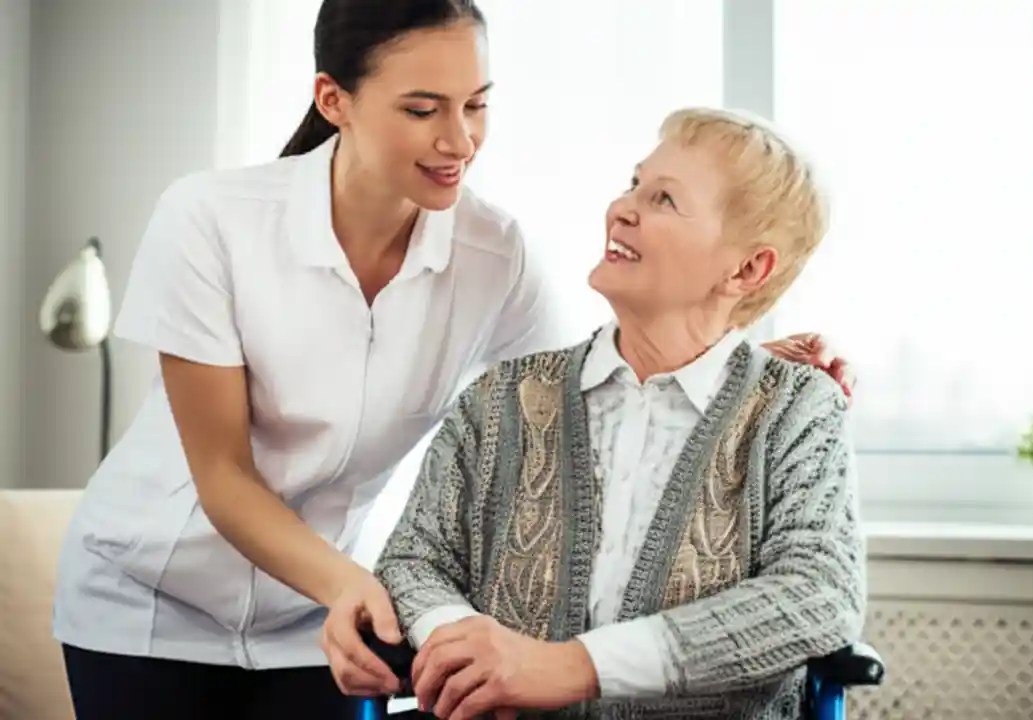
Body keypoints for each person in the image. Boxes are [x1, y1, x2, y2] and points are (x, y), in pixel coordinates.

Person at [50, 2, 851, 718]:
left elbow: (597, 381)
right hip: (153, 602)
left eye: (477, 105)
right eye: (423, 109)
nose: (460, 139)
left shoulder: (493, 253)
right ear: (335, 101)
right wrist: (358, 588)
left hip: (321, 626)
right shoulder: (211, 218)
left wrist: (740, 364)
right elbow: (222, 475)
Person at [375, 107, 865, 719]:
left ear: (747, 268)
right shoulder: (501, 398)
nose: (622, 208)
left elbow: (818, 596)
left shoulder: (796, 408)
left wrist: (570, 668)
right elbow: (414, 559)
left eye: (663, 199)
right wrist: (467, 649)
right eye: (633, 184)